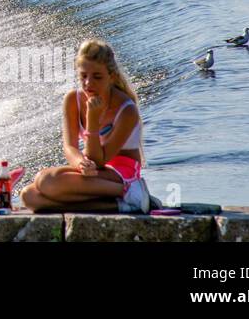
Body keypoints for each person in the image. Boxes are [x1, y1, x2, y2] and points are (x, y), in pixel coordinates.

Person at [19, 39, 151, 213]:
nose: (88, 83)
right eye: (83, 76)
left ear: (111, 77)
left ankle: (129, 190)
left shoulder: (127, 110)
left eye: (97, 77)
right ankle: (122, 203)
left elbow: (99, 160)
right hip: (94, 171)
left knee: (46, 181)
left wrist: (92, 119)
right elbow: (69, 146)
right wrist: (81, 163)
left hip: (121, 173)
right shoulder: (73, 100)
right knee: (29, 196)